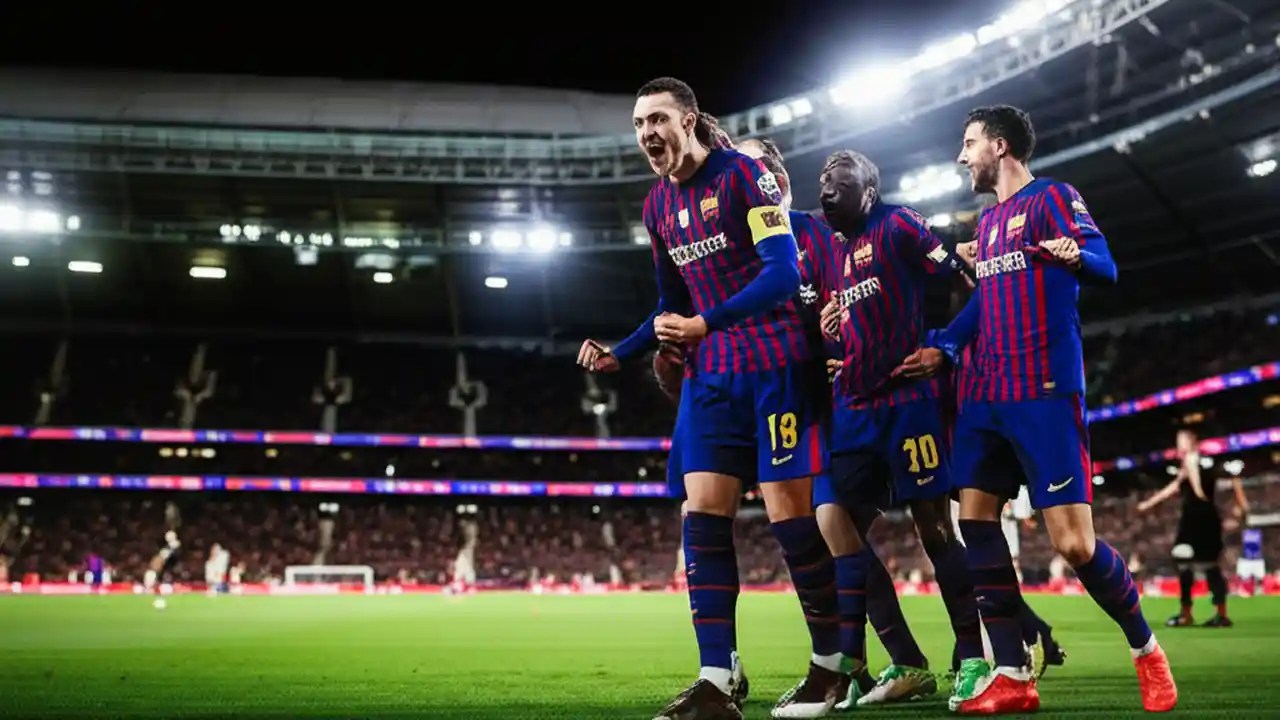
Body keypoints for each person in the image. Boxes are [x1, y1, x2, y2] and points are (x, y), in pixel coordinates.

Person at [899, 105, 1176, 714]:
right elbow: (985, 306)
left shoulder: (1053, 198)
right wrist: (944, 348)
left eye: (968, 144)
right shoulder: (989, 219)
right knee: (974, 523)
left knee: (1075, 546)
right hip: (984, 395)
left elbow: (1106, 265)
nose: (961, 155)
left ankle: (1146, 648)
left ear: (999, 147)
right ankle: (1011, 672)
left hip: (1043, 391)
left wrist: (1074, 257)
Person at [577, 77, 840, 720]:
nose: (647, 134)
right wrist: (624, 350)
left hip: (776, 365)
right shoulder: (656, 208)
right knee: (702, 514)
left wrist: (705, 324)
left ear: (688, 120)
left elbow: (784, 272)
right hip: (713, 377)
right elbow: (672, 303)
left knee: (790, 520)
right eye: (639, 124)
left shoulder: (745, 177)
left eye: (658, 119)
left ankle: (832, 666)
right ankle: (717, 679)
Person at [812, 148, 990, 710]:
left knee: (935, 530)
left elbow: (972, 281)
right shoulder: (835, 251)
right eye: (822, 184)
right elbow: (853, 327)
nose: (826, 192)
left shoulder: (901, 224)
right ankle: (907, 661)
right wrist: (832, 340)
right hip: (854, 408)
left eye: (839, 183)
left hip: (909, 402)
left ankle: (974, 657)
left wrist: (945, 346)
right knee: (834, 526)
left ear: (869, 190)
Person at [1137, 428, 1233, 627]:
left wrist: (1198, 490)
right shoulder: (1195, 464)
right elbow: (1174, 487)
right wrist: (1149, 503)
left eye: (1181, 440)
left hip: (1199, 519)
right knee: (1197, 564)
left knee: (1198, 565)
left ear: (1191, 441)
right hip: (1201, 518)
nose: (1178, 445)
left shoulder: (1194, 461)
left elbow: (1193, 485)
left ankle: (1198, 613)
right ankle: (1206, 613)